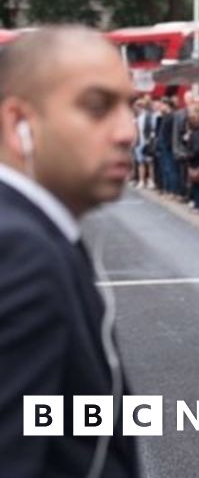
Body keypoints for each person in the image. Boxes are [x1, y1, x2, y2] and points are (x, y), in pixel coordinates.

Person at [0, 26, 140, 476]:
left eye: (130, 107)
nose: (127, 132)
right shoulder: (21, 251)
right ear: (17, 122)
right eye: (96, 107)